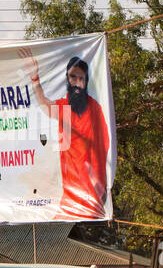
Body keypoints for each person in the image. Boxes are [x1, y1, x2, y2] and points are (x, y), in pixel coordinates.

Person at [21, 48, 111, 218]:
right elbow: (45, 105)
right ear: (67, 79)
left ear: (86, 81)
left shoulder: (94, 109)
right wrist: (34, 78)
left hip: (92, 195)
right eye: (73, 77)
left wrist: (102, 188)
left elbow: (104, 147)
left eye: (81, 78)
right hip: (70, 196)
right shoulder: (64, 107)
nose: (77, 83)